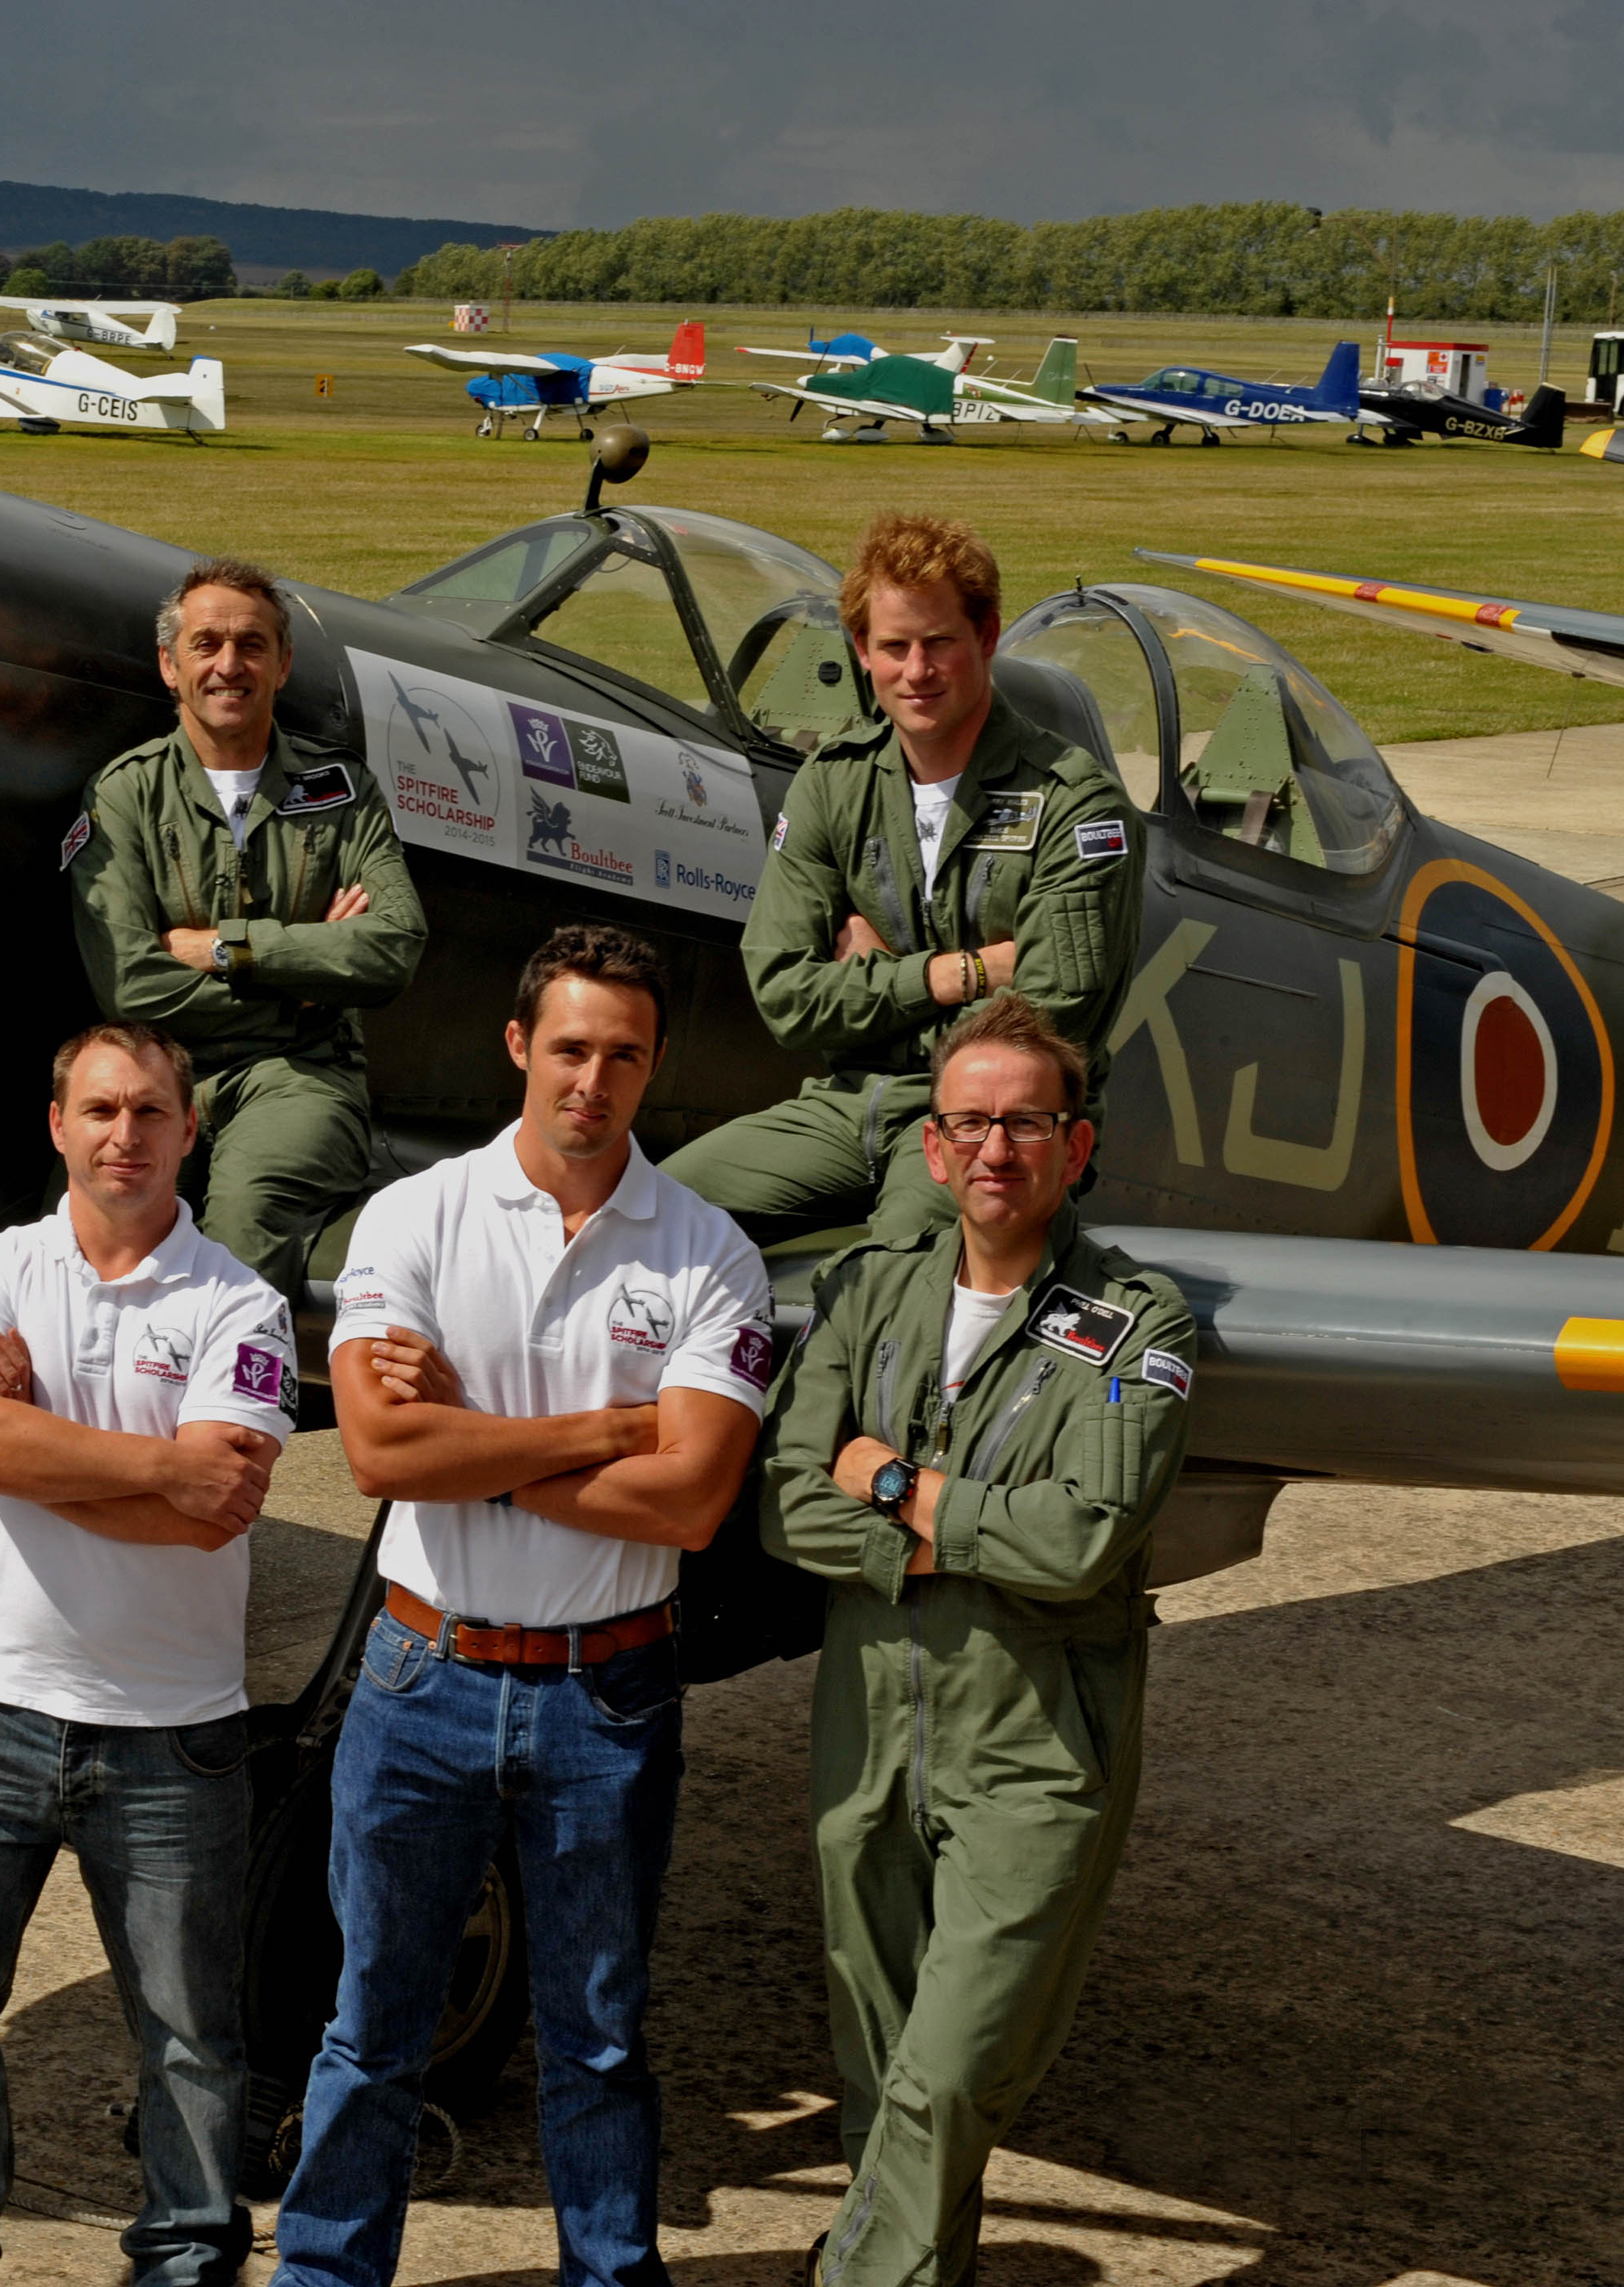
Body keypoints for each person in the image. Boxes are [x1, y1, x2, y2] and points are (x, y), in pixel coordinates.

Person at [271, 922, 777, 2287]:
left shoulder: (710, 1255)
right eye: (568, 1047)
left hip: (605, 1700)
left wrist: (482, 1443)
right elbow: (382, 1456)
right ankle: (325, 2275)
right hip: (418, 1682)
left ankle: (610, 2276)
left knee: (599, 2036)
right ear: (517, 1046)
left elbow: (687, 1506)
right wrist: (607, 1428)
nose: (590, 1081)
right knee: (369, 2025)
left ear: (657, 1064)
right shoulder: (413, 1220)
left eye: (622, 1054)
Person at [757, 992, 1195, 2287]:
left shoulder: (1137, 1327)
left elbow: (1081, 1546)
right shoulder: (868, 1291)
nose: (996, 1148)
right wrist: (956, 1529)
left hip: (1032, 1758)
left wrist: (890, 1487)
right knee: (878, 2083)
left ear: (1078, 1146)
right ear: (935, 1151)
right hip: (867, 1747)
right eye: (970, 1124)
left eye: (1026, 1123)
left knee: (945, 2082)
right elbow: (785, 1503)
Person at [0, 1020, 297, 2287]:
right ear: (58, 1126)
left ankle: (186, 2253)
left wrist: (38, 1439)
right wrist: (161, 1463)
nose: (125, 1136)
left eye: (151, 1113)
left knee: (187, 2035)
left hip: (171, 1730)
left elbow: (220, 1508)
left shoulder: (245, 1302)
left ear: (189, 1131)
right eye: (100, 1111)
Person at [664, 511, 1139, 1250]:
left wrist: (874, 983)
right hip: (846, 1106)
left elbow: (1042, 1031)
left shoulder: (1076, 803)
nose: (916, 672)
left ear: (985, 638)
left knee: (900, 1264)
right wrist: (965, 973)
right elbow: (788, 997)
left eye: (939, 643)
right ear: (861, 651)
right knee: (648, 1217)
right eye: (894, 647)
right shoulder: (832, 786)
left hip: (994, 1127)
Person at [67, 556, 429, 1300]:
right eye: (207, 645)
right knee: (84, 1228)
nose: (230, 665)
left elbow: (393, 946)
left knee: (245, 1213)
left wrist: (229, 948)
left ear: (284, 663)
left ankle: (231, 1410)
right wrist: (305, 984)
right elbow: (130, 982)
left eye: (252, 645)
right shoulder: (127, 792)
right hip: (163, 1072)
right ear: (170, 666)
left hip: (304, 1079)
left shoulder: (341, 791)